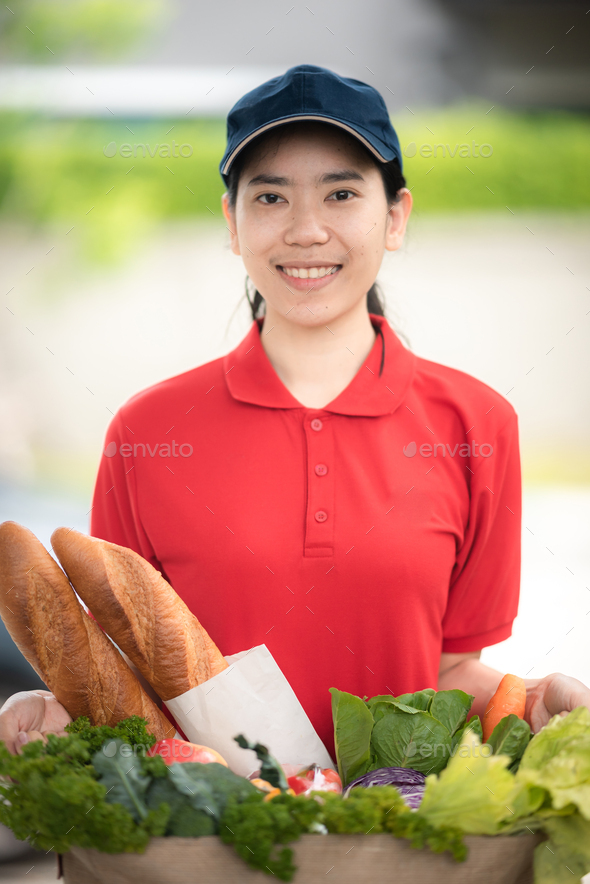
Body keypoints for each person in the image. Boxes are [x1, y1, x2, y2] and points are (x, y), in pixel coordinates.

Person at [1, 64, 589, 759]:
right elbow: (128, 681)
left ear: (395, 216)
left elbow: (451, 673)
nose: (307, 230)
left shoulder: (477, 427)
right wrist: (46, 706)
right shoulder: (147, 432)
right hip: (203, 844)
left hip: (400, 837)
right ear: (232, 222)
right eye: (271, 198)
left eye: (341, 193)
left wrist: (534, 700)